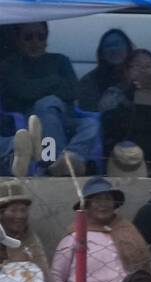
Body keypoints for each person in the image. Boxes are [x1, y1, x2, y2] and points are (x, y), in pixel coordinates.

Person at [48, 177, 151, 282]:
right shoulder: (75, 236)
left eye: (107, 199)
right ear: (87, 205)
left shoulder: (128, 232)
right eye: (97, 200)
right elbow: (58, 274)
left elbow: (146, 267)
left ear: (114, 203)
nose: (103, 204)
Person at [0, 21, 100, 175]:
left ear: (46, 39)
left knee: (91, 124)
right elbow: (23, 90)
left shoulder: (60, 60)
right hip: (29, 119)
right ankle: (50, 162)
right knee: (48, 104)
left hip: (65, 116)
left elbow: (73, 91)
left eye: (41, 37)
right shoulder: (10, 65)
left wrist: (37, 87)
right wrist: (55, 81)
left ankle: (70, 158)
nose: (35, 42)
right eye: (28, 37)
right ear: (18, 39)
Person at [77, 29, 133, 111]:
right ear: (102, 53)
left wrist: (125, 101)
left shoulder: (143, 76)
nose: (113, 49)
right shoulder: (88, 81)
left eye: (117, 44)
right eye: (108, 45)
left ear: (128, 48)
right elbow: (86, 113)